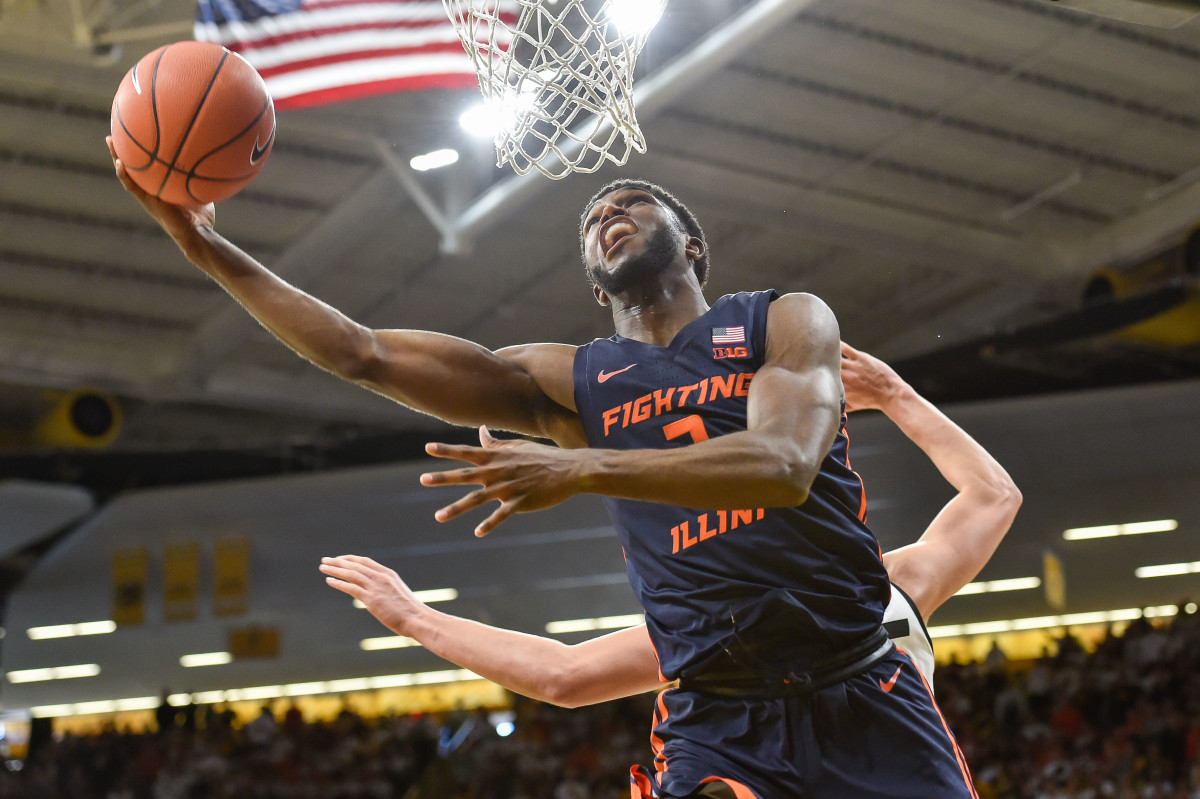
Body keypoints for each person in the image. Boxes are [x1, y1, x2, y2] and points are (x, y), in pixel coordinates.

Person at [109, 137, 978, 798]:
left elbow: (785, 464)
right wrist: (205, 247)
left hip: (866, 686)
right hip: (719, 716)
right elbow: (361, 352)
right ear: (597, 286)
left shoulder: (781, 321)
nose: (609, 213)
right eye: (594, 219)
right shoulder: (571, 381)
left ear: (692, 244)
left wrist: (583, 469)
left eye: (632, 203)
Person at [320, 342, 1020, 704]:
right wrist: (414, 618)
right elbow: (562, 675)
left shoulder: (887, 586)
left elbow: (995, 497)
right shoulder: (720, 615)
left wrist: (896, 394)